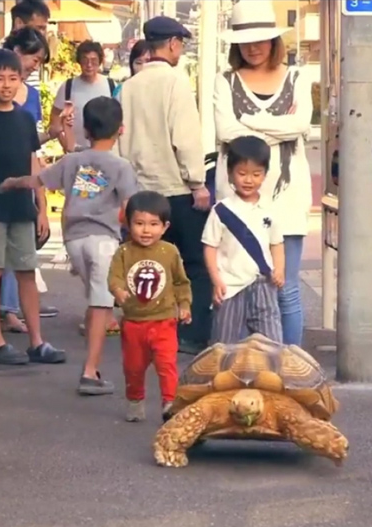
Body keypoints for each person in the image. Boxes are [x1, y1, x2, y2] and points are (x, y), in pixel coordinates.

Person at [0, 96, 138, 395]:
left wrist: (10, 182)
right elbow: (128, 210)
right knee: (102, 305)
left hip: (74, 240)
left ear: (86, 129)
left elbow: (37, 180)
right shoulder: (122, 166)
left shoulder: (73, 160)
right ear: (121, 130)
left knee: (94, 300)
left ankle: (93, 367)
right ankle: (90, 372)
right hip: (103, 240)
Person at [215, 0, 313, 347]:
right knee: (236, 289)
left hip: (286, 199)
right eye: (246, 40)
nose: (254, 47)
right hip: (237, 202)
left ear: (274, 40)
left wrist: (249, 124)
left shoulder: (297, 77)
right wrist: (279, 128)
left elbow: (301, 124)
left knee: (284, 290)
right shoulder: (225, 81)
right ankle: (239, 374)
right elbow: (227, 131)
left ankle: (290, 373)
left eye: (261, 39)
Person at [0, 49, 65, 366]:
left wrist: (42, 206)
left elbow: (34, 165)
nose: (6, 85)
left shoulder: (24, 119)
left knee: (26, 272)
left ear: (21, 81)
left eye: (12, 78)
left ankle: (37, 341)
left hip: (22, 207)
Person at [117, 16, 211, 355]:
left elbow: (120, 141)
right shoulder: (175, 82)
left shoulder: (129, 86)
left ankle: (148, 333)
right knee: (192, 266)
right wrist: (198, 182)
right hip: (176, 190)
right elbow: (185, 138)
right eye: (180, 44)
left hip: (141, 193)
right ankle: (190, 334)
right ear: (172, 44)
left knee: (148, 265)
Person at [108, 191, 192, 423]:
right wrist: (118, 290)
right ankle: (135, 399)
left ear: (164, 227)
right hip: (134, 323)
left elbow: (180, 282)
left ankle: (170, 403)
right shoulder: (124, 252)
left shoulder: (169, 252)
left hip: (164, 320)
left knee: (167, 364)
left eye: (153, 224)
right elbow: (114, 277)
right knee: (133, 368)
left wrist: (184, 305)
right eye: (139, 223)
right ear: (128, 223)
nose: (146, 230)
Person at [202, 136, 284, 344]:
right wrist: (216, 280)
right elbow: (210, 247)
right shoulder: (221, 210)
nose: (249, 180)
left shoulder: (270, 208)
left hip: (263, 284)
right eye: (242, 173)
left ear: (265, 174)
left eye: (256, 174)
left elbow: (276, 243)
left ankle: (270, 377)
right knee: (223, 345)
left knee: (272, 344)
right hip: (230, 287)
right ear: (230, 174)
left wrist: (280, 269)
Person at [50, 40, 116, 152]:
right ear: (79, 61)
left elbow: (118, 119)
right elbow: (54, 118)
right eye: (85, 60)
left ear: (100, 61)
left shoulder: (111, 85)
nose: (89, 65)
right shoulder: (68, 86)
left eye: (94, 61)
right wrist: (66, 143)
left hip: (104, 151)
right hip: (76, 151)